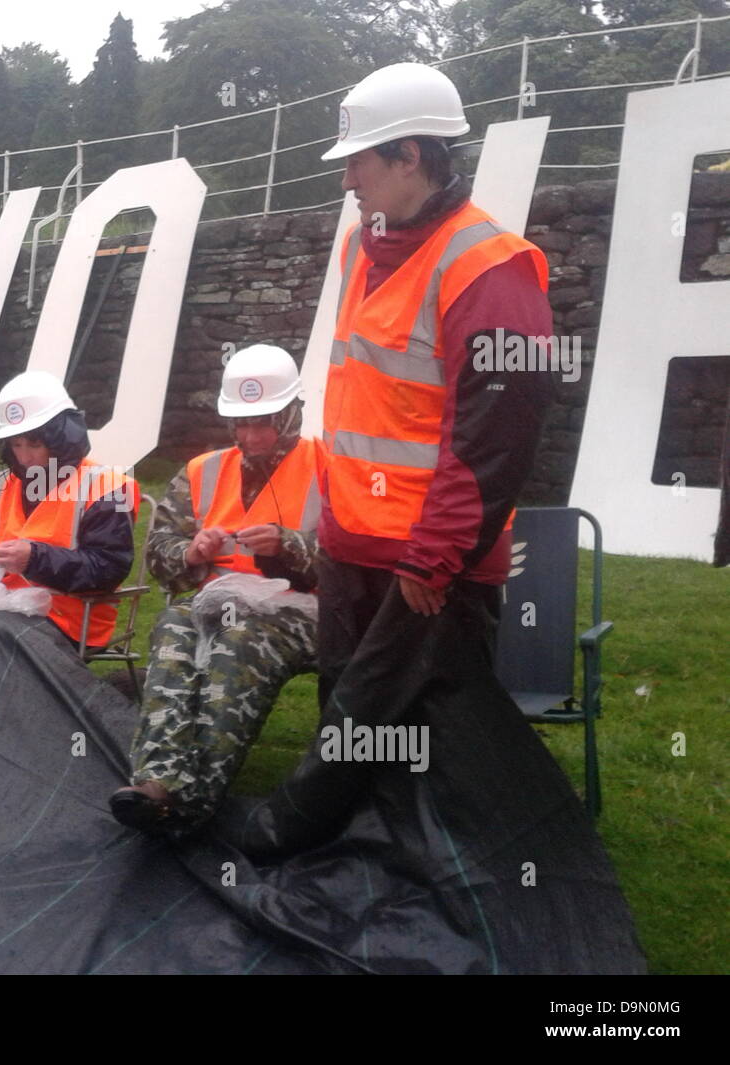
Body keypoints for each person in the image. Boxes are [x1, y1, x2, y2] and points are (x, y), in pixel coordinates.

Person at [240, 63, 555, 849]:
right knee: (349, 702)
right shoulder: (362, 246)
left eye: (360, 159)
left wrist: (436, 554)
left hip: (428, 562)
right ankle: (358, 851)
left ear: (412, 155)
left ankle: (326, 838)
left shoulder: (491, 267)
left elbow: (496, 437)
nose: (346, 177)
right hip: (352, 544)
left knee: (408, 722)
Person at [109, 345, 323, 833]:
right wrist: (192, 553)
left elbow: (354, 562)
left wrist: (290, 545)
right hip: (211, 600)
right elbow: (160, 549)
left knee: (236, 646)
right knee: (173, 631)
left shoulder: (331, 466)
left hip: (300, 610)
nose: (249, 436)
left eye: (262, 423)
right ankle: (156, 783)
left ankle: (187, 808)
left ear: (291, 415)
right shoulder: (202, 471)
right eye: (240, 425)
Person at [0, 371, 139, 650]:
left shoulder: (108, 487)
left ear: (62, 436)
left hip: (72, 620)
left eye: (35, 443)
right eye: (16, 444)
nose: (25, 456)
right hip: (0, 611)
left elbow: (108, 570)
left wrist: (35, 559)